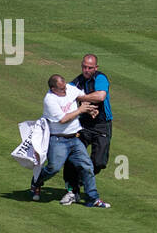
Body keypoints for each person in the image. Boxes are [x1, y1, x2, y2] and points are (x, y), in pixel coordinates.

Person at [30, 75, 110, 207]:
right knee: (53, 168)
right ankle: (37, 181)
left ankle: (93, 198)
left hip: (75, 138)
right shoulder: (50, 100)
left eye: (65, 86)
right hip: (58, 140)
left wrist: (90, 110)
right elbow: (63, 119)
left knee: (87, 166)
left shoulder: (70, 89)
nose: (65, 90)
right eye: (61, 89)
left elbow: (83, 98)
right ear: (53, 89)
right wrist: (80, 110)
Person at [60, 54, 112, 205]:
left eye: (90, 68)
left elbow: (101, 96)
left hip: (102, 124)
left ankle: (82, 180)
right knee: (71, 155)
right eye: (84, 67)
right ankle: (72, 190)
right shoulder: (77, 82)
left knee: (99, 161)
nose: (86, 70)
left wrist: (80, 97)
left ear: (95, 68)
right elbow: (65, 95)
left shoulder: (100, 78)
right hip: (83, 125)